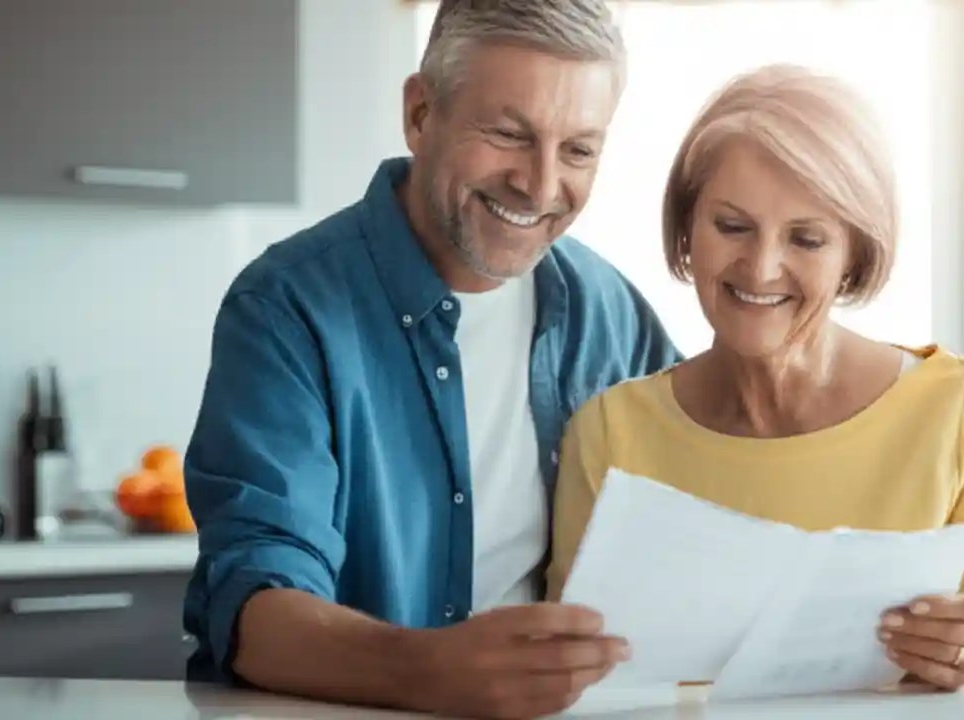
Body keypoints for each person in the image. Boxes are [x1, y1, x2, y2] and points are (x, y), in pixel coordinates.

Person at [182, 1, 680, 717]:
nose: (540, 187)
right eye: (509, 134)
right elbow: (253, 608)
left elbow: (715, 484)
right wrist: (429, 670)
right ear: (420, 113)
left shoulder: (604, 306)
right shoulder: (288, 307)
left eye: (577, 151)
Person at [546, 64, 964, 689]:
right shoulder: (609, 433)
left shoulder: (960, 410)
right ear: (687, 230)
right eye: (731, 226)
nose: (761, 268)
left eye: (807, 239)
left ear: (853, 255)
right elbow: (566, 673)